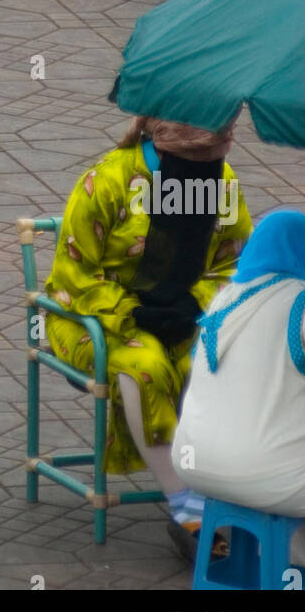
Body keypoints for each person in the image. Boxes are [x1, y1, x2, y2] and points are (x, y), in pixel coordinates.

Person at [45, 115, 251, 559]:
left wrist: (194, 303)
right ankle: (186, 507)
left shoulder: (221, 182)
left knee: (213, 362)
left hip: (185, 317)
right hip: (94, 319)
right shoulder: (107, 180)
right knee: (146, 367)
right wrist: (132, 311)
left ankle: (220, 486)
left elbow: (235, 264)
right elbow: (73, 277)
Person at [172, 207, 305, 568]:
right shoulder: (299, 303)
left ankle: (266, 557)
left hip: (195, 466)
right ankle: (283, 560)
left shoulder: (223, 298)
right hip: (267, 475)